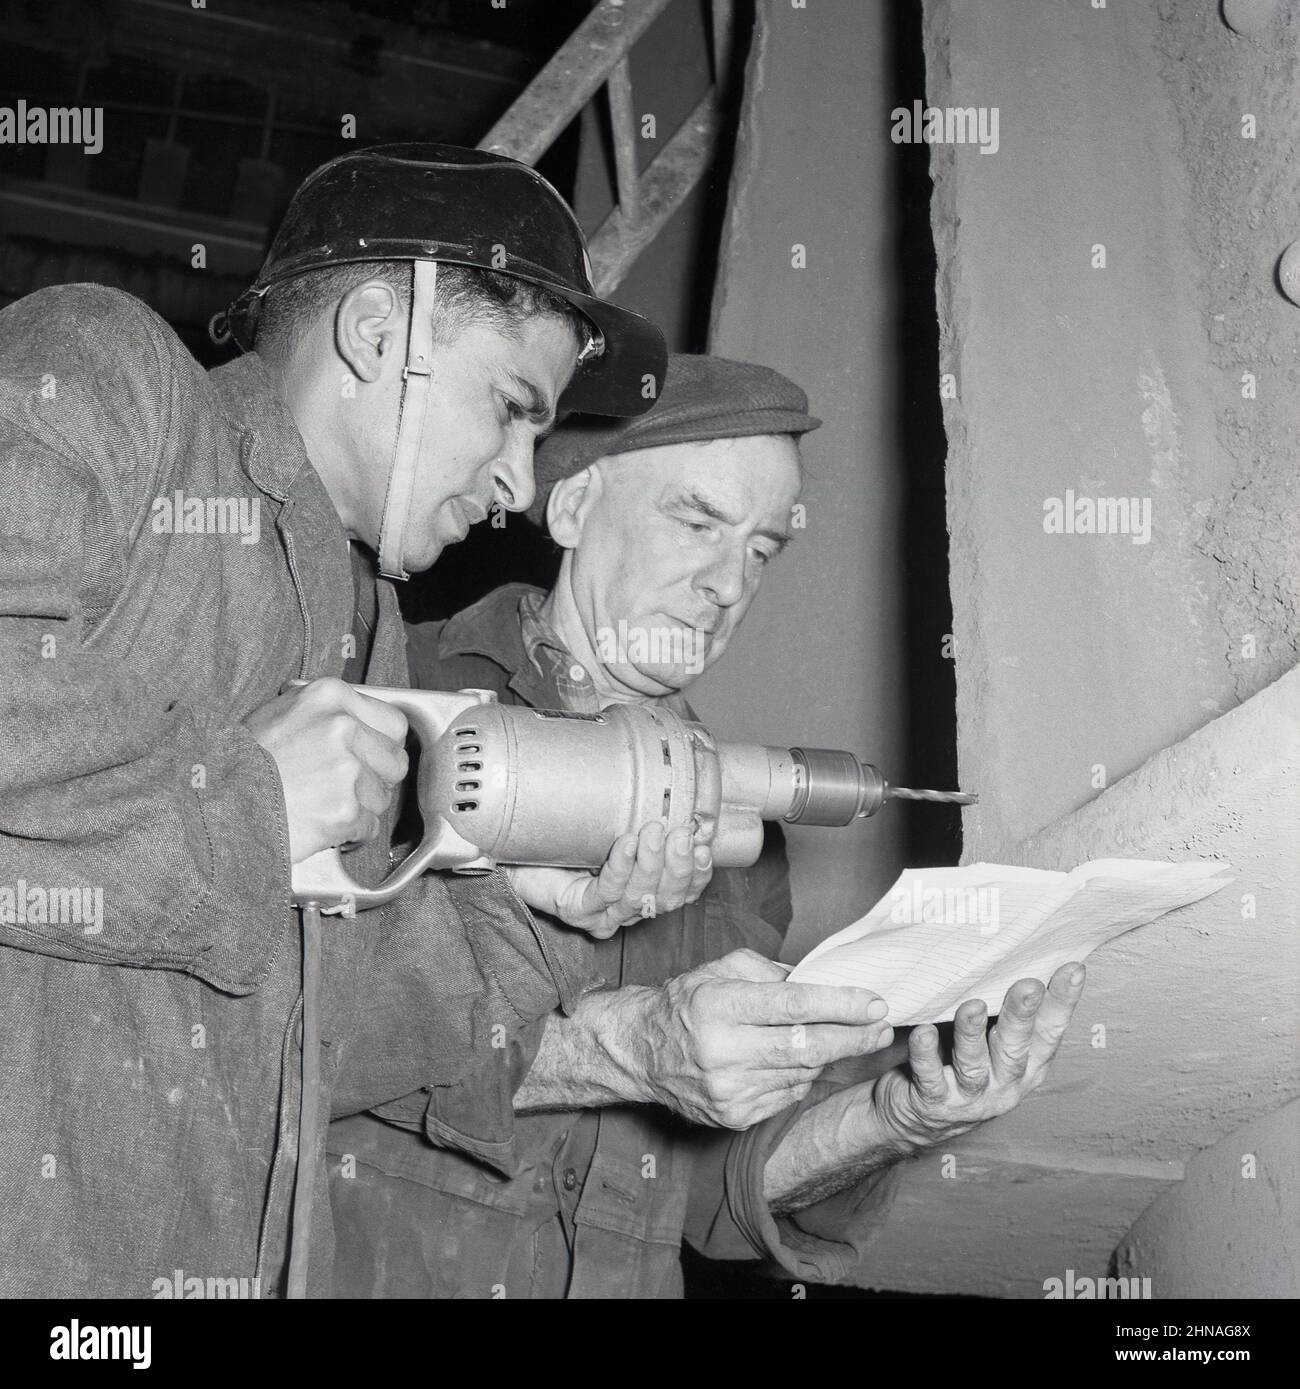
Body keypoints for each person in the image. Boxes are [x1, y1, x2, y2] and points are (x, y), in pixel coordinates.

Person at [0, 142, 703, 1297]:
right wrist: (250, 806)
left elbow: (363, 1045)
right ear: (382, 332)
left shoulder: (363, 625)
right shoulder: (106, 375)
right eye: (512, 408)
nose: (517, 482)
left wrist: (523, 896)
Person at [328, 354, 1086, 1297]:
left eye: (762, 549)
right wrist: (629, 1050)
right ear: (571, 507)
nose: (730, 583)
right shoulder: (396, 698)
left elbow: (711, 1197)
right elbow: (295, 1029)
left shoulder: (742, 843)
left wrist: (894, 1117)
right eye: (697, 521)